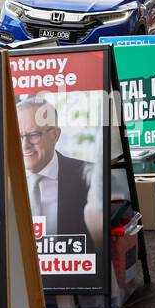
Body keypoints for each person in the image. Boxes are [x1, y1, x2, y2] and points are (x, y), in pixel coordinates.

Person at [17, 96, 102, 250]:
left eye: (33, 135)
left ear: (55, 135)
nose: (24, 145)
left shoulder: (90, 177)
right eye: (18, 136)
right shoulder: (2, 183)